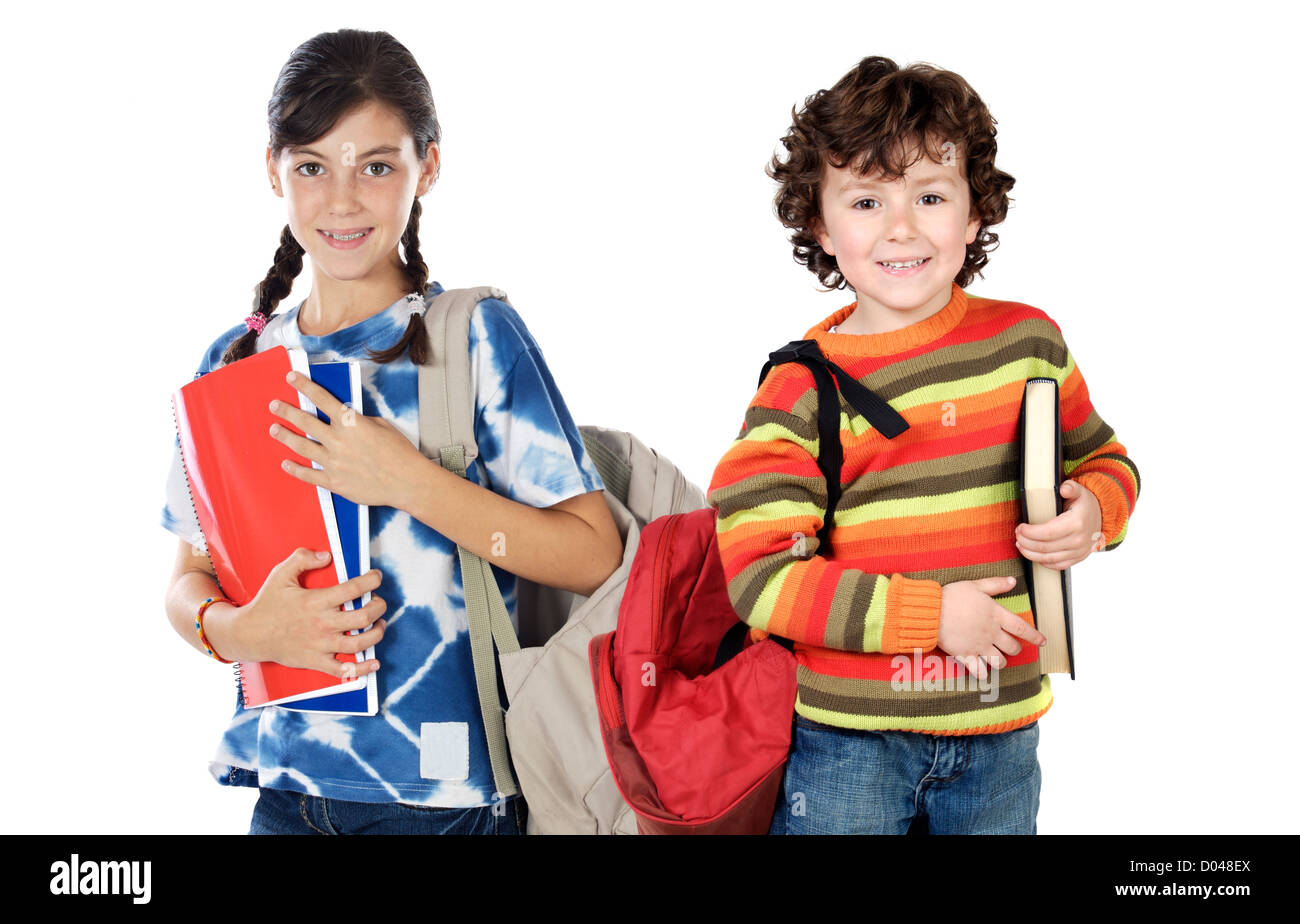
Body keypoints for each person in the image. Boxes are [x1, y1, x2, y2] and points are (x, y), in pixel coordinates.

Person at [160, 29, 622, 835]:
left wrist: (406, 480)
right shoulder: (234, 362)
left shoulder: (474, 335)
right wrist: (240, 630)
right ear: (274, 170)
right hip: (286, 786)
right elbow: (187, 580)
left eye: (376, 166)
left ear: (427, 167)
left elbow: (592, 555)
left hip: (445, 800)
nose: (342, 201)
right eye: (312, 166)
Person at [708, 56, 1140, 835]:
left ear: (974, 215)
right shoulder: (800, 388)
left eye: (931, 197)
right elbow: (759, 574)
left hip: (1002, 730)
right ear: (820, 224)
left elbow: (1104, 461)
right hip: (847, 744)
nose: (901, 228)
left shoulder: (1026, 342)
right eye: (867, 200)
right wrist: (929, 618)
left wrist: (1095, 513)